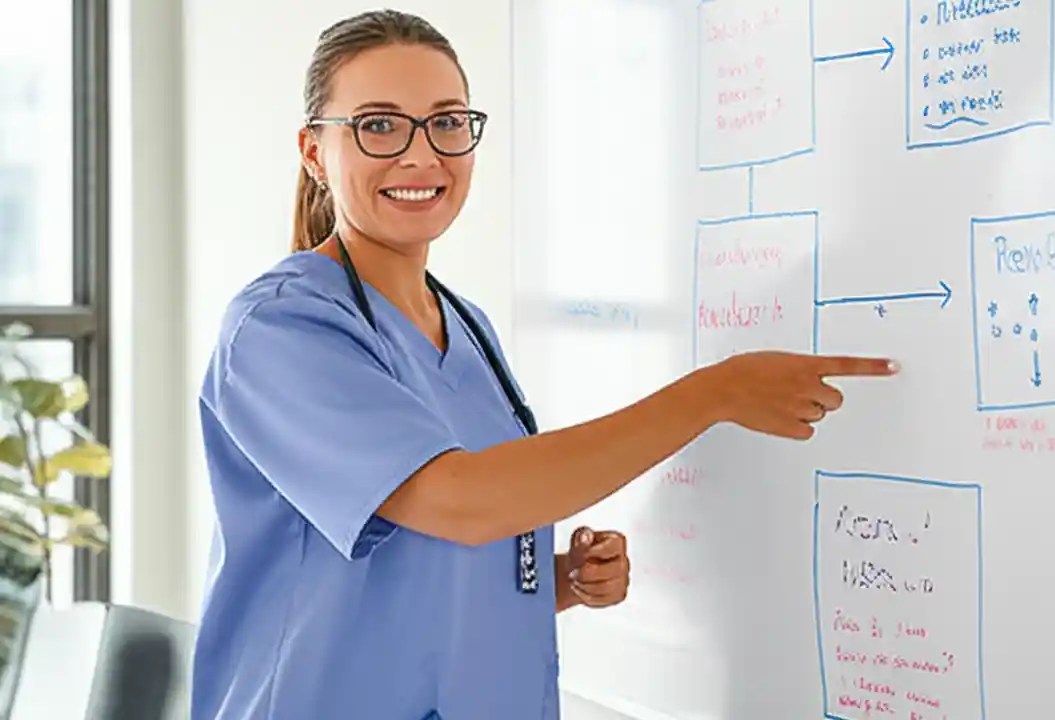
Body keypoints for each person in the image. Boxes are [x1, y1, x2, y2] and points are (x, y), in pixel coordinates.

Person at [191, 9, 899, 719]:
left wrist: (556, 580)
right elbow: (460, 501)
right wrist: (712, 394)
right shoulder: (282, 329)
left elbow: (431, 558)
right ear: (314, 151)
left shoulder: (466, 327)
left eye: (446, 122)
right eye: (378, 125)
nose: (420, 155)